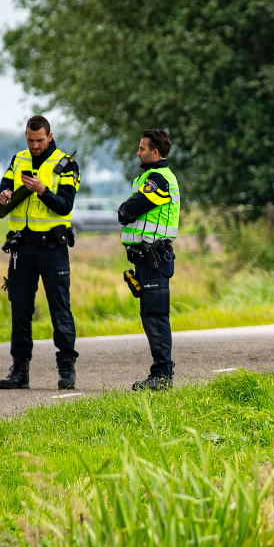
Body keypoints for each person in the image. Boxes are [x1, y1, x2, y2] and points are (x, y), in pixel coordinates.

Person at [0, 115, 81, 390]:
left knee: (59, 308)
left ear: (49, 136)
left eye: (40, 140)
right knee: (20, 309)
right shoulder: (18, 160)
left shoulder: (66, 164)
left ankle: (66, 369)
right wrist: (2, 196)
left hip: (52, 248)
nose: (35, 145)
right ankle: (20, 371)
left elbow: (65, 205)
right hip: (21, 248)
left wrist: (42, 190)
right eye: (30, 140)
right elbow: (2, 189)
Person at [116, 128, 180, 390]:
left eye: (141, 148)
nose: (137, 152)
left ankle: (162, 374)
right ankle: (161, 373)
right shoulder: (148, 177)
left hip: (155, 257)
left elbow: (131, 209)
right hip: (146, 259)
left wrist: (124, 209)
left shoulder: (159, 179)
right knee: (150, 315)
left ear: (155, 152)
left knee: (156, 315)